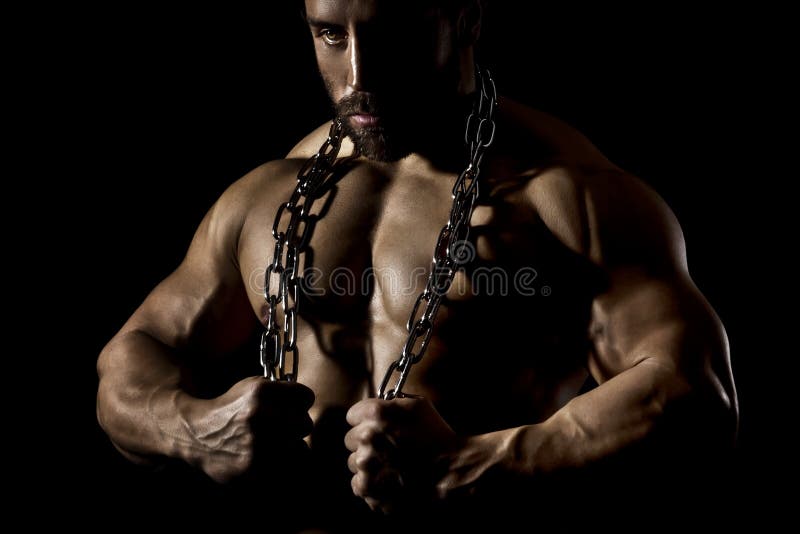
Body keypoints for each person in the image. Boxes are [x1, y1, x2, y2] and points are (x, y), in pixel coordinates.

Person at [96, 0, 738, 530]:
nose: (356, 78)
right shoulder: (270, 194)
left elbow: (693, 396)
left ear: (468, 17)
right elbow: (134, 354)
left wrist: (478, 465)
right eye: (329, 35)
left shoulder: (570, 194)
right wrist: (193, 429)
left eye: (392, 34)